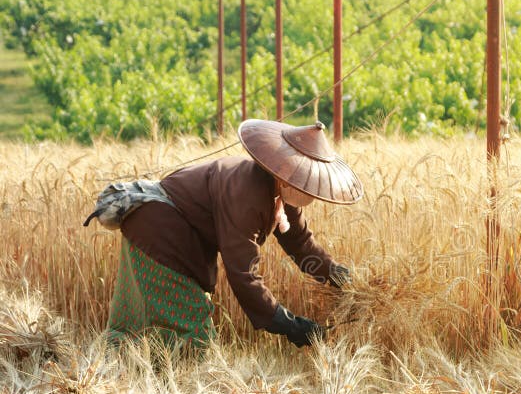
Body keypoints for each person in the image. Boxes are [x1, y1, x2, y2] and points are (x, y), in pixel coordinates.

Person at [85, 119, 363, 349]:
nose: (309, 187)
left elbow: (300, 243)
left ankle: (133, 376)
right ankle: (149, 389)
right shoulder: (249, 193)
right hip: (159, 229)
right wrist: (284, 322)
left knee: (168, 322)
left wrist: (342, 278)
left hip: (171, 232)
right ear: (284, 169)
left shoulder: (281, 194)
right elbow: (243, 272)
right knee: (189, 323)